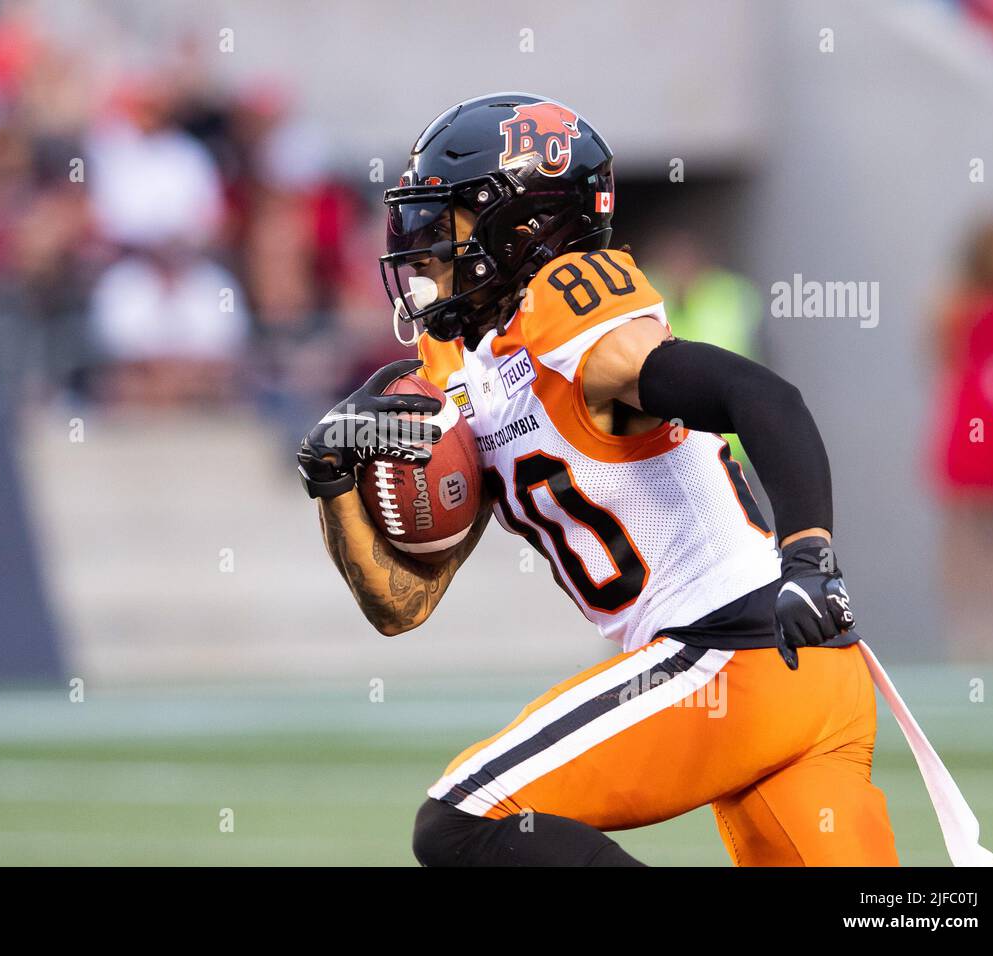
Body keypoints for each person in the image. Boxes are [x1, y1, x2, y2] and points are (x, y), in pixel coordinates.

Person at [296, 93, 896, 866]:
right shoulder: (458, 372)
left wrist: (811, 557)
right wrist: (333, 482)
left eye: (446, 223)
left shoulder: (568, 314)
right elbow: (401, 604)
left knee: (464, 819)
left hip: (732, 650)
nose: (423, 249)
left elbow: (761, 396)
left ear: (522, 227)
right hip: (808, 673)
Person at [932, 218, 993, 659]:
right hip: (973, 422)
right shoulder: (954, 304)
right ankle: (970, 631)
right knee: (968, 530)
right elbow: (940, 356)